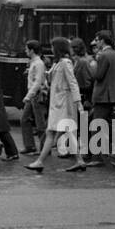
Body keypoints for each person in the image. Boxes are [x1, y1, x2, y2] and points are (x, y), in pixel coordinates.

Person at [25, 37, 88, 173]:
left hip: (63, 103)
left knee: (52, 132)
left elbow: (72, 82)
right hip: (58, 103)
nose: (51, 49)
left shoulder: (65, 63)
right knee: (66, 132)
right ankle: (79, 160)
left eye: (53, 46)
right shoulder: (58, 63)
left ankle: (40, 161)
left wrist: (78, 102)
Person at [88, 31, 115, 164]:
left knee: (97, 125)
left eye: (97, 40)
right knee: (111, 125)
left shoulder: (103, 55)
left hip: (103, 95)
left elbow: (98, 75)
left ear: (102, 41)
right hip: (114, 94)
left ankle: (96, 158)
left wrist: (92, 65)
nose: (96, 43)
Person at [20, 40, 48, 155]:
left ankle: (44, 148)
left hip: (36, 95)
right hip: (34, 95)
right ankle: (30, 145)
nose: (25, 51)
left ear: (32, 50)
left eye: (27, 49)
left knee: (40, 123)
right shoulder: (35, 63)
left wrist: (28, 96)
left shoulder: (38, 63)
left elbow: (37, 83)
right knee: (25, 119)